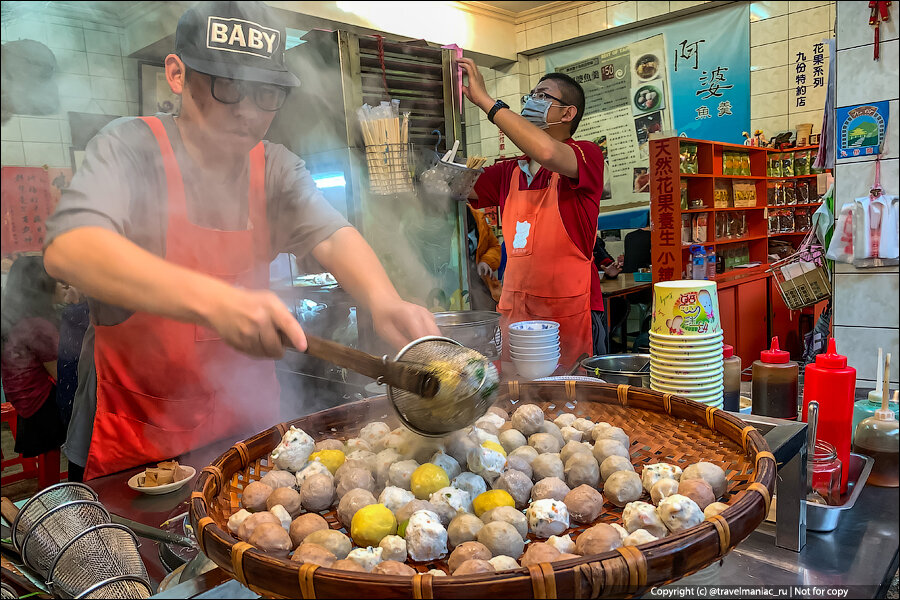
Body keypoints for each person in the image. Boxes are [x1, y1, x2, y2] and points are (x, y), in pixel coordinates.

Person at [42, 1, 439, 482]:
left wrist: (384, 301)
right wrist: (215, 300)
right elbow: (70, 248)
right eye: (229, 86)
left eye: (267, 93)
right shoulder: (130, 147)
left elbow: (332, 234)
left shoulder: (274, 166)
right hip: (139, 438)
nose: (249, 112)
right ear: (176, 74)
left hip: (248, 429)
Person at [460, 59, 604, 370]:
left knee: (574, 401)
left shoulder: (586, 154)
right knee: (516, 397)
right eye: (531, 96)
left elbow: (548, 153)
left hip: (568, 314)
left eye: (542, 96)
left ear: (567, 113)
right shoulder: (508, 171)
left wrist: (486, 101)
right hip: (516, 315)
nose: (531, 103)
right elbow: (458, 189)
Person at [0, 255, 67, 461]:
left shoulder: (15, 319)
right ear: (42, 286)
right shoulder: (39, 326)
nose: (63, 284)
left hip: (25, 407)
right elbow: (62, 376)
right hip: (42, 412)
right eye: (57, 279)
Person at [465, 204, 502, 310]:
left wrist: (486, 261)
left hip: (481, 282)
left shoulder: (478, 218)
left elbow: (494, 246)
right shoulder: (437, 219)